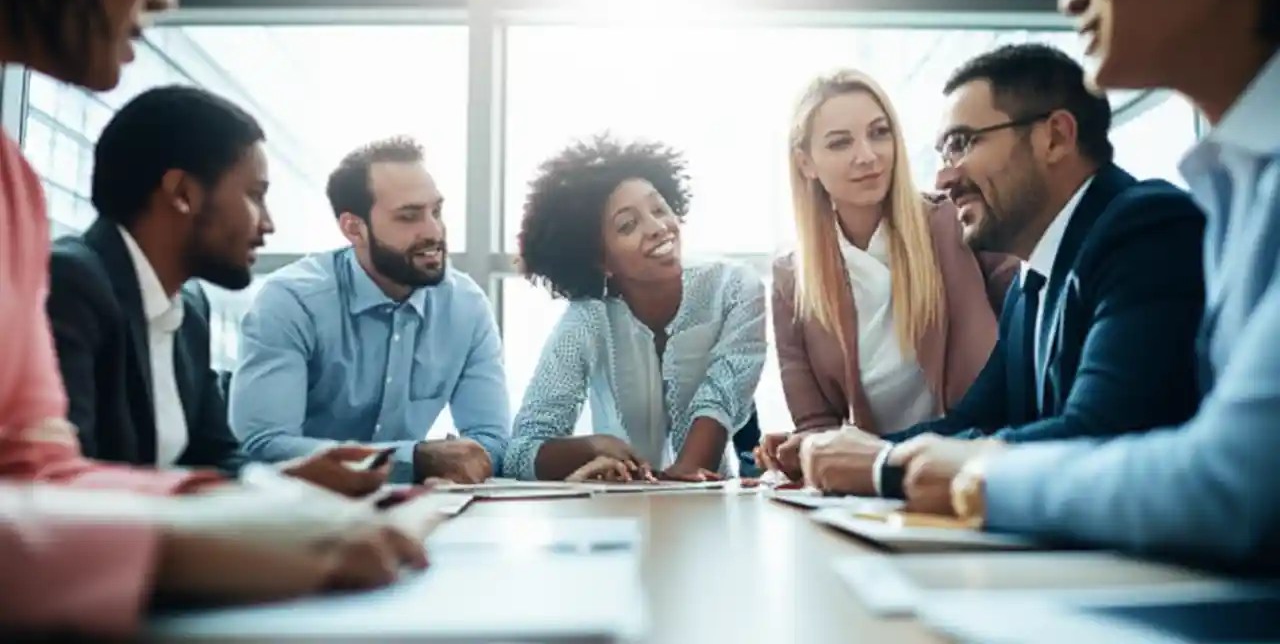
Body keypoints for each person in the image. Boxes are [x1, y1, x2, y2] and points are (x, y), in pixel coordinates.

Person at [0, 0, 424, 633]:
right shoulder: (77, 281)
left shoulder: (16, 186)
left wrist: (275, 506)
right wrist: (208, 536)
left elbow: (38, 470)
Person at [882, 0, 1280, 573]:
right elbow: (976, 421)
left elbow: (1231, 481)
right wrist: (867, 452)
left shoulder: (1149, 224)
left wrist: (966, 475)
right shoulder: (1235, 189)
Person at [802, 43, 1206, 497]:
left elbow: (1098, 434)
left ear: (1054, 137)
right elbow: (971, 422)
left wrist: (883, 466)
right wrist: (839, 458)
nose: (943, 179)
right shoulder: (1029, 286)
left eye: (961, 144)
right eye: (942, 154)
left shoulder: (1145, 229)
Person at [48, 85, 390, 497]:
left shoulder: (189, 310)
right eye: (254, 195)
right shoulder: (69, 285)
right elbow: (65, 487)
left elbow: (218, 457)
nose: (267, 224)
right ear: (183, 194)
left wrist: (294, 479)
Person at [756, 69, 1016, 482]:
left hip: (976, 464)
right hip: (874, 484)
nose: (867, 156)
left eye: (879, 133)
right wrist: (803, 447)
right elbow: (817, 423)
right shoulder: (792, 276)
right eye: (840, 142)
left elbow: (1030, 338)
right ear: (806, 162)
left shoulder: (958, 220)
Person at [230, 136, 509, 484]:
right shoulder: (291, 301)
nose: (434, 231)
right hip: (300, 513)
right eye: (409, 217)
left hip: (419, 509)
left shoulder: (466, 307)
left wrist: (465, 461)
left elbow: (492, 441)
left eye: (435, 211)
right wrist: (414, 460)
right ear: (354, 228)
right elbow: (262, 447)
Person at [504, 135, 766, 482]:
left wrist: (684, 472)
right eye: (628, 225)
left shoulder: (734, 288)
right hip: (620, 508)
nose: (658, 228)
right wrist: (593, 449)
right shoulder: (587, 321)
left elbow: (719, 397)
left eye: (659, 209)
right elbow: (520, 452)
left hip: (710, 503)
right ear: (600, 259)